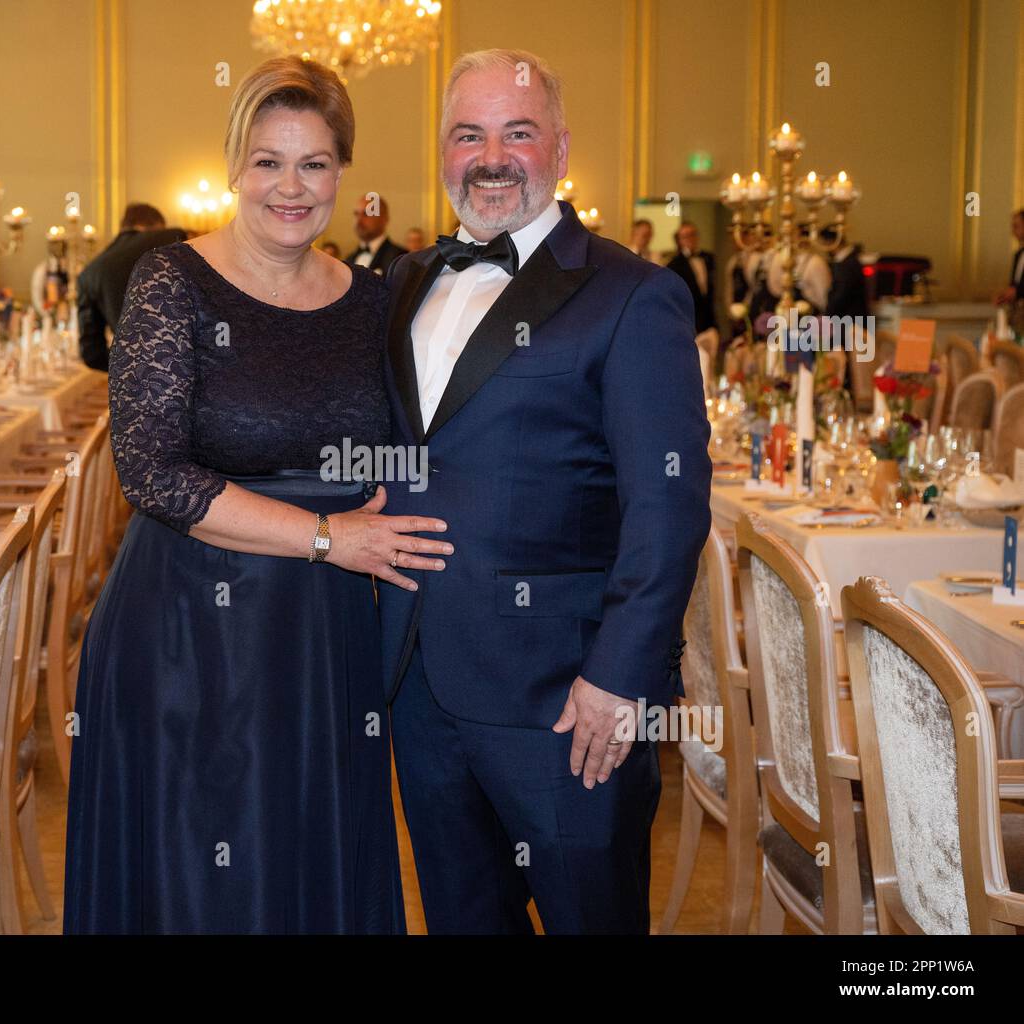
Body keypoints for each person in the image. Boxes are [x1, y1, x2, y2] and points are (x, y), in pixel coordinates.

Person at [63, 55, 452, 934]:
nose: (291, 186)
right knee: (201, 877)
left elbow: (410, 447)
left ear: (343, 174)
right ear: (235, 165)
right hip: (192, 632)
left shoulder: (375, 302)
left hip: (325, 637)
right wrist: (327, 536)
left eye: (313, 163)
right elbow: (151, 471)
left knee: (313, 863)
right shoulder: (171, 283)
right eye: (269, 161)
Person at [379, 48, 710, 934]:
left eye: (517, 133)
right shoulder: (407, 281)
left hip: (566, 704)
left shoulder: (634, 296)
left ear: (561, 150)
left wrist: (618, 678)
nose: (491, 157)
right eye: (468, 135)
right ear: (442, 153)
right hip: (417, 682)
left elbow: (668, 504)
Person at [74, 203, 185, 370]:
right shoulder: (170, 238)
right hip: (186, 364)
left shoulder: (89, 273)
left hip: (138, 380)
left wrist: (128, 366)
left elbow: (92, 354)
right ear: (156, 227)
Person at [666, 221, 717, 333]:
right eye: (685, 236)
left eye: (692, 234)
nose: (690, 239)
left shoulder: (709, 258)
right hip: (688, 319)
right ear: (679, 240)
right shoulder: (674, 265)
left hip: (709, 318)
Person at [345, 194, 407, 275]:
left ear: (384, 219)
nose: (359, 221)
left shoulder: (400, 258)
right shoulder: (349, 260)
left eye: (366, 214)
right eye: (356, 214)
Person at [992, 208, 1024, 306]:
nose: (1012, 231)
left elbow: (1017, 290)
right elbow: (1014, 286)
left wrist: (1016, 292)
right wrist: (1004, 296)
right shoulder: (1018, 255)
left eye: (1016, 226)